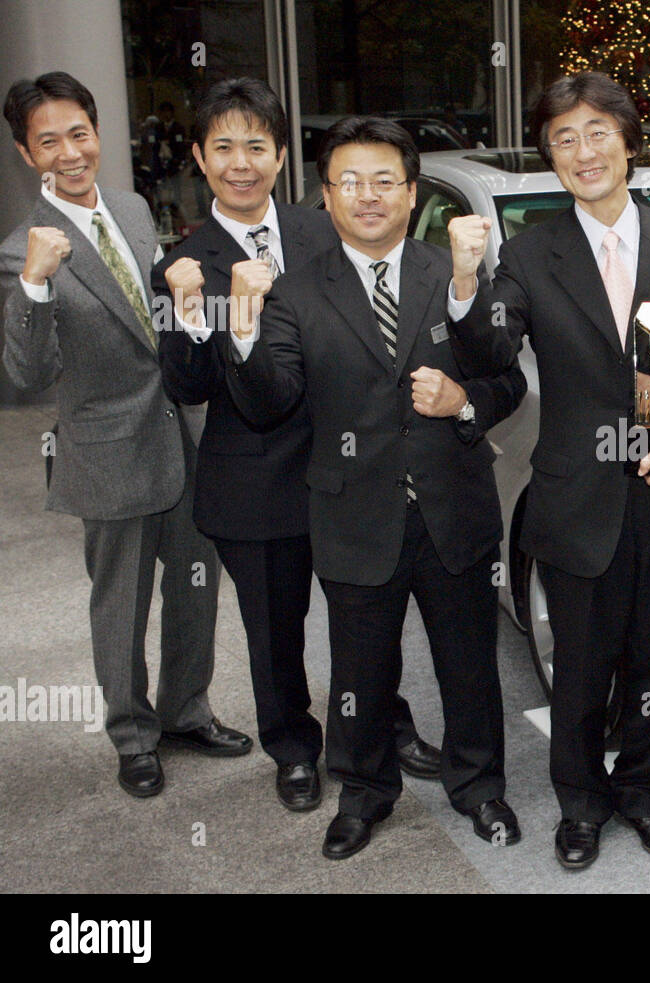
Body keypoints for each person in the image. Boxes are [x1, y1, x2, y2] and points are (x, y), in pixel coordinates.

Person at [461, 72, 650, 870]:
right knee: (581, 669)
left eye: (596, 132)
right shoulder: (529, 251)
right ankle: (581, 804)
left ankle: (647, 794)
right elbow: (488, 347)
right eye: (563, 138)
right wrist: (465, 284)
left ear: (628, 140)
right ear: (549, 155)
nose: (583, 151)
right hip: (578, 496)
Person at [223, 116, 526, 860]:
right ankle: (364, 792)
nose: (368, 196)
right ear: (325, 197)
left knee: (468, 663)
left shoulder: (448, 270)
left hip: (454, 506)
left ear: (411, 192)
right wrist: (240, 326)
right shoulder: (294, 293)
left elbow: (503, 371)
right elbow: (270, 402)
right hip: (353, 511)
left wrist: (463, 398)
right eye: (349, 181)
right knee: (360, 668)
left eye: (384, 180)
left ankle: (480, 787)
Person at [153, 78, 441, 813]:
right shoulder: (184, 265)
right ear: (199, 157)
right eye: (224, 147)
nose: (241, 162)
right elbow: (186, 386)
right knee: (276, 634)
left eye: (257, 145)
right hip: (257, 484)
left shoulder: (328, 226)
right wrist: (190, 315)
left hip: (353, 471)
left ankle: (384, 725)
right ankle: (293, 748)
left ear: (281, 157)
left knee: (366, 614)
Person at [0, 71, 250, 798]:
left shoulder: (135, 208)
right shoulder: (21, 251)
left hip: (184, 434)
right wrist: (37, 286)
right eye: (49, 141)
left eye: (80, 133)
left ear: (98, 133)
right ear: (26, 154)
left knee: (197, 586)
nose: (70, 152)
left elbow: (152, 318)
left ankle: (185, 709)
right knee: (121, 604)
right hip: (108, 452)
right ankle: (132, 734)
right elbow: (26, 372)